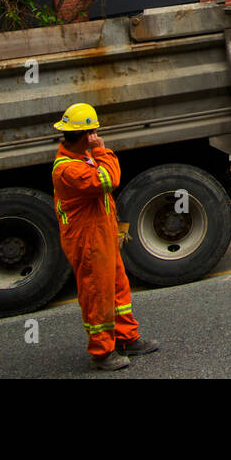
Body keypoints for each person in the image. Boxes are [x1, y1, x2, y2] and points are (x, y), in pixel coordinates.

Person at [52, 102, 159, 371]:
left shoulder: (79, 158)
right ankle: (102, 352)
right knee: (97, 294)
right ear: (86, 135)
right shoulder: (68, 168)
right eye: (94, 132)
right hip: (87, 241)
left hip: (101, 235)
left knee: (117, 286)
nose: (97, 136)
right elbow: (108, 180)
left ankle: (125, 338)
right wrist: (101, 149)